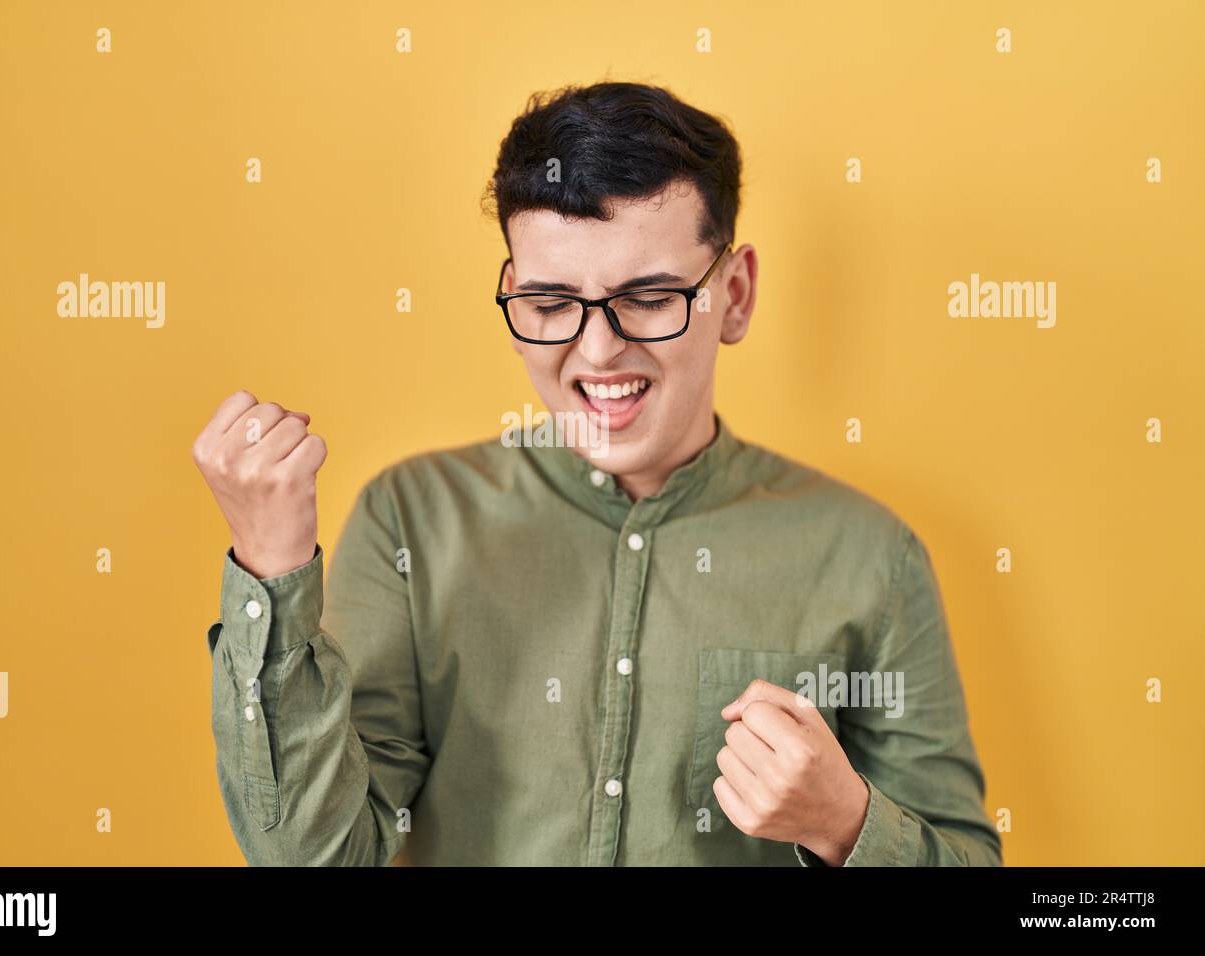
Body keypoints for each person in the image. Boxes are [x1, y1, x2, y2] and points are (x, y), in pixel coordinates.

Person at [192, 81, 1002, 866]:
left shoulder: (870, 555)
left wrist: (844, 823)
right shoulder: (410, 518)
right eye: (550, 304)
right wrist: (271, 568)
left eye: (648, 297)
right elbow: (318, 856)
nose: (598, 350)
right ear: (512, 297)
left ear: (736, 294)